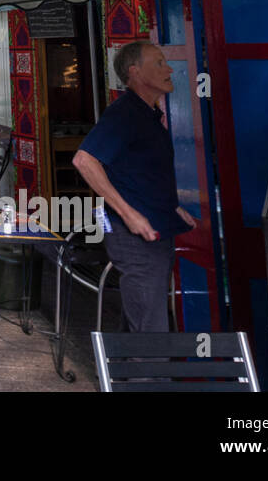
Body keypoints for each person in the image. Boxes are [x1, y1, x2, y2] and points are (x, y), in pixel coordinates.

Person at [72, 41, 197, 332]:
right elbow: (84, 161)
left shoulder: (147, 114)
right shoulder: (125, 113)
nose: (168, 69)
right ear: (135, 72)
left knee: (141, 319)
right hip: (135, 240)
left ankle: (124, 373)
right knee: (150, 329)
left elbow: (137, 171)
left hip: (154, 230)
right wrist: (128, 214)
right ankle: (149, 377)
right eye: (158, 63)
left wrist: (170, 205)